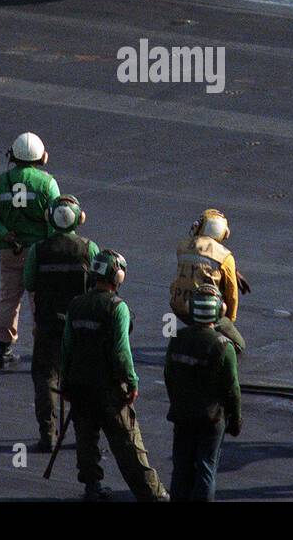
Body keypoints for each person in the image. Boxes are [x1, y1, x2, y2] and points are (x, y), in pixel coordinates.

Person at [60, 249, 167, 502]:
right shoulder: (118, 308)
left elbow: (66, 347)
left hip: (79, 385)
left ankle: (92, 487)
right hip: (108, 388)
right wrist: (132, 381)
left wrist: (65, 381)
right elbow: (121, 350)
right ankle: (151, 493)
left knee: (86, 439)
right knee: (129, 444)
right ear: (117, 276)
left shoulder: (76, 304)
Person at [23, 194, 99, 453]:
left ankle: (48, 434)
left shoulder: (38, 249)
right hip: (82, 327)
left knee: (45, 377)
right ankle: (84, 433)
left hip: (47, 324)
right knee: (82, 380)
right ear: (79, 218)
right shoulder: (90, 248)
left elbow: (29, 283)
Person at [0, 132, 59, 367]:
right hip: (39, 254)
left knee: (8, 299)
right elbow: (56, 219)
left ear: (12, 156)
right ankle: (42, 351)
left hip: (10, 251)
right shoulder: (47, 183)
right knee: (41, 301)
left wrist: (5, 233)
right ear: (41, 158)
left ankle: (5, 350)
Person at [164, 285, 241, 502]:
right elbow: (232, 389)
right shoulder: (223, 346)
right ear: (220, 311)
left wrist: (177, 403)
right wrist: (235, 419)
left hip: (182, 414)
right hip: (211, 417)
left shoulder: (176, 338)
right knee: (206, 467)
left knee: (181, 467)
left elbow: (169, 376)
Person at [171, 208, 247, 353]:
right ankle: (205, 339)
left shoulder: (183, 246)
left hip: (179, 307)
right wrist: (227, 322)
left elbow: (198, 265)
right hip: (205, 311)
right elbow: (232, 296)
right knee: (239, 345)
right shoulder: (225, 257)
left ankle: (193, 334)